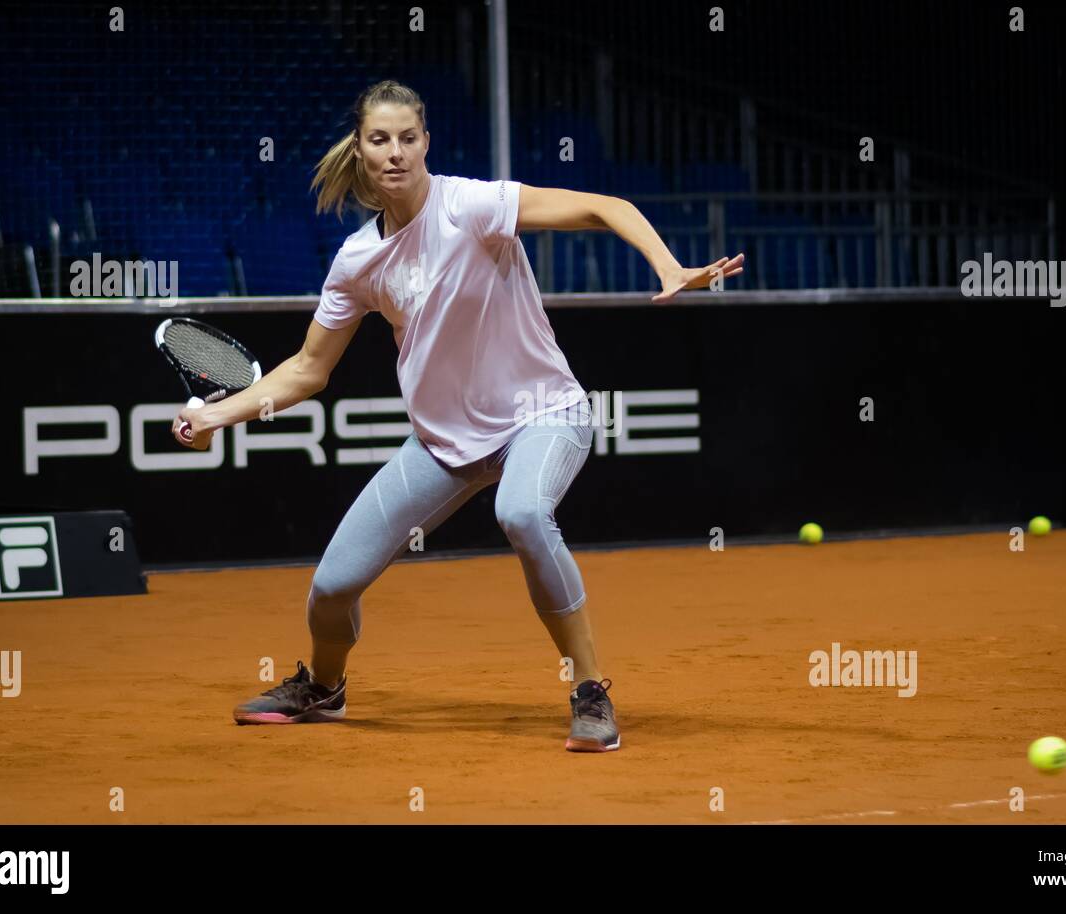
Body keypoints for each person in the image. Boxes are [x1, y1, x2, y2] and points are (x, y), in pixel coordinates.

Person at [173, 79, 743, 752]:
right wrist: (217, 418)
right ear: (360, 149)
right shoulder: (357, 261)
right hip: (444, 445)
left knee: (523, 513)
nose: (395, 153)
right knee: (331, 588)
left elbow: (600, 206)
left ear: (426, 144)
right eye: (379, 140)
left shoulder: (471, 205)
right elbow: (307, 370)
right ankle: (325, 687)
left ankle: (589, 690)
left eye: (407, 139)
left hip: (543, 414)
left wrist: (668, 265)